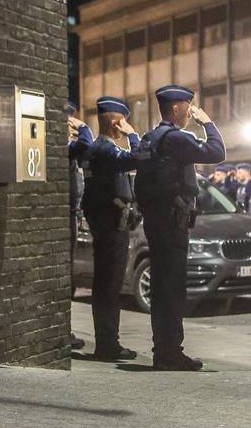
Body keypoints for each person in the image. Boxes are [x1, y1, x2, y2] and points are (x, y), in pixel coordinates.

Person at [134, 85, 225, 371]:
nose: (191, 112)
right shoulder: (174, 138)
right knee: (172, 288)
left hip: (156, 219)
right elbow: (216, 151)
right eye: (189, 106)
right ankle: (170, 352)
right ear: (176, 108)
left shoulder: (150, 138)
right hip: (172, 222)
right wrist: (208, 122)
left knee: (162, 288)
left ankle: (163, 349)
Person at [80, 96, 141, 361]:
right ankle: (107, 344)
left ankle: (106, 342)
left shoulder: (94, 149)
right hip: (110, 223)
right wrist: (134, 136)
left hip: (105, 221)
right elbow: (136, 159)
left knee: (105, 285)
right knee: (109, 286)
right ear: (116, 123)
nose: (125, 126)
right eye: (123, 122)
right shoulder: (105, 149)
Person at [67, 102, 94, 350]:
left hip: (72, 214)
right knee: (66, 275)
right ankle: (63, 329)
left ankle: (65, 327)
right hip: (66, 216)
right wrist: (84, 126)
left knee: (69, 276)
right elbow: (87, 145)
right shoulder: (64, 147)